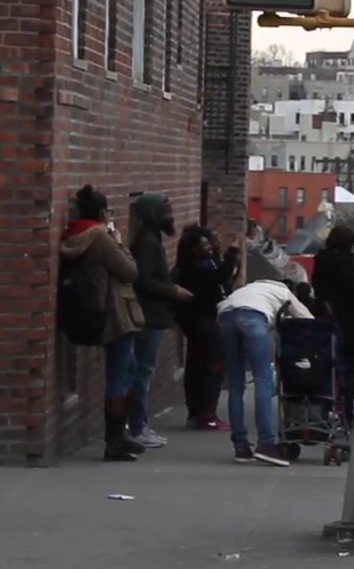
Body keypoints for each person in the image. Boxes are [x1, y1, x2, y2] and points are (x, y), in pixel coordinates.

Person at [59, 185, 149, 462]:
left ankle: (120, 435)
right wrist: (119, 241)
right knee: (120, 374)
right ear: (101, 212)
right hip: (117, 313)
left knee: (128, 368)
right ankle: (114, 440)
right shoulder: (100, 237)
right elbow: (129, 271)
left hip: (99, 309)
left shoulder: (75, 235)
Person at [216, 279, 314, 466]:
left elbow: (225, 305)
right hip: (254, 317)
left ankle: (240, 445)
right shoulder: (284, 292)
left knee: (236, 383)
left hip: (226, 315)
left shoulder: (250, 288)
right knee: (263, 378)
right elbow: (307, 320)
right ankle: (266, 444)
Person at [128, 193, 193, 448]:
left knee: (143, 372)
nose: (171, 216)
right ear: (153, 214)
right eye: (166, 211)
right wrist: (173, 291)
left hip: (153, 316)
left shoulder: (151, 239)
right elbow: (142, 280)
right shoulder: (146, 243)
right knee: (142, 372)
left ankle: (138, 424)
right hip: (147, 317)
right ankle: (137, 427)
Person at [173, 225, 236, 431]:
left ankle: (199, 412)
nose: (210, 247)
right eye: (205, 245)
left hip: (204, 320)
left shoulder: (206, 262)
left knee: (200, 366)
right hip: (203, 321)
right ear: (194, 249)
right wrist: (232, 253)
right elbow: (219, 277)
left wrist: (219, 252)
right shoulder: (194, 268)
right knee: (211, 367)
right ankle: (206, 414)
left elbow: (222, 278)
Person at [310, 225, 354, 423]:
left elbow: (318, 292)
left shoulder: (321, 261)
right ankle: (346, 411)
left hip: (325, 324)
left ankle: (326, 408)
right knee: (349, 369)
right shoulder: (345, 262)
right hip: (346, 324)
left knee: (327, 367)